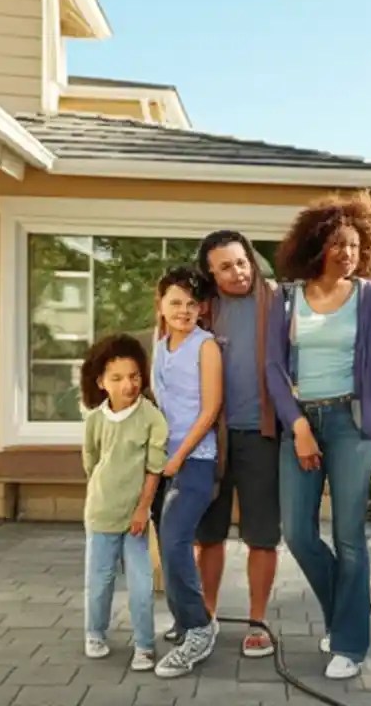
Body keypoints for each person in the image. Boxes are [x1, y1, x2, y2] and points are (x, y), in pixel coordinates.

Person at [265, 192, 371, 679]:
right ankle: (350, 611)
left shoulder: (370, 296)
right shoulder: (287, 297)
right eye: (338, 243)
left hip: (352, 424)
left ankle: (349, 644)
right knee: (296, 532)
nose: (348, 253)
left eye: (355, 246)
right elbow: (273, 367)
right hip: (302, 422)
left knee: (349, 536)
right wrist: (297, 427)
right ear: (317, 245)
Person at [168, 229, 283, 658]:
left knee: (262, 535)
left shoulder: (277, 301)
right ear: (211, 275)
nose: (237, 272)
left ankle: (258, 621)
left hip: (261, 434)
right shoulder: (204, 310)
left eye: (241, 262)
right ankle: (206, 617)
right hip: (209, 438)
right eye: (225, 267)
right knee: (208, 533)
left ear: (250, 259)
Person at [150, 267, 225, 679]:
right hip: (165, 460)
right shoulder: (160, 346)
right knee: (167, 542)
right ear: (161, 305)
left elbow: (210, 409)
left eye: (192, 303)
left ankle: (199, 627)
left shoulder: (206, 346)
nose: (184, 310)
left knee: (177, 539)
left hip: (196, 459)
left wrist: (179, 456)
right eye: (176, 302)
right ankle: (183, 620)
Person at [79, 333, 167, 672]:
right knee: (99, 582)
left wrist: (142, 508)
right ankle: (95, 633)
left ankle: (144, 645)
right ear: (101, 382)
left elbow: (154, 467)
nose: (128, 384)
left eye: (134, 376)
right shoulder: (95, 419)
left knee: (142, 586)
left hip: (136, 519)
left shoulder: (151, 417)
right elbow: (92, 462)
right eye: (117, 378)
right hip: (101, 515)